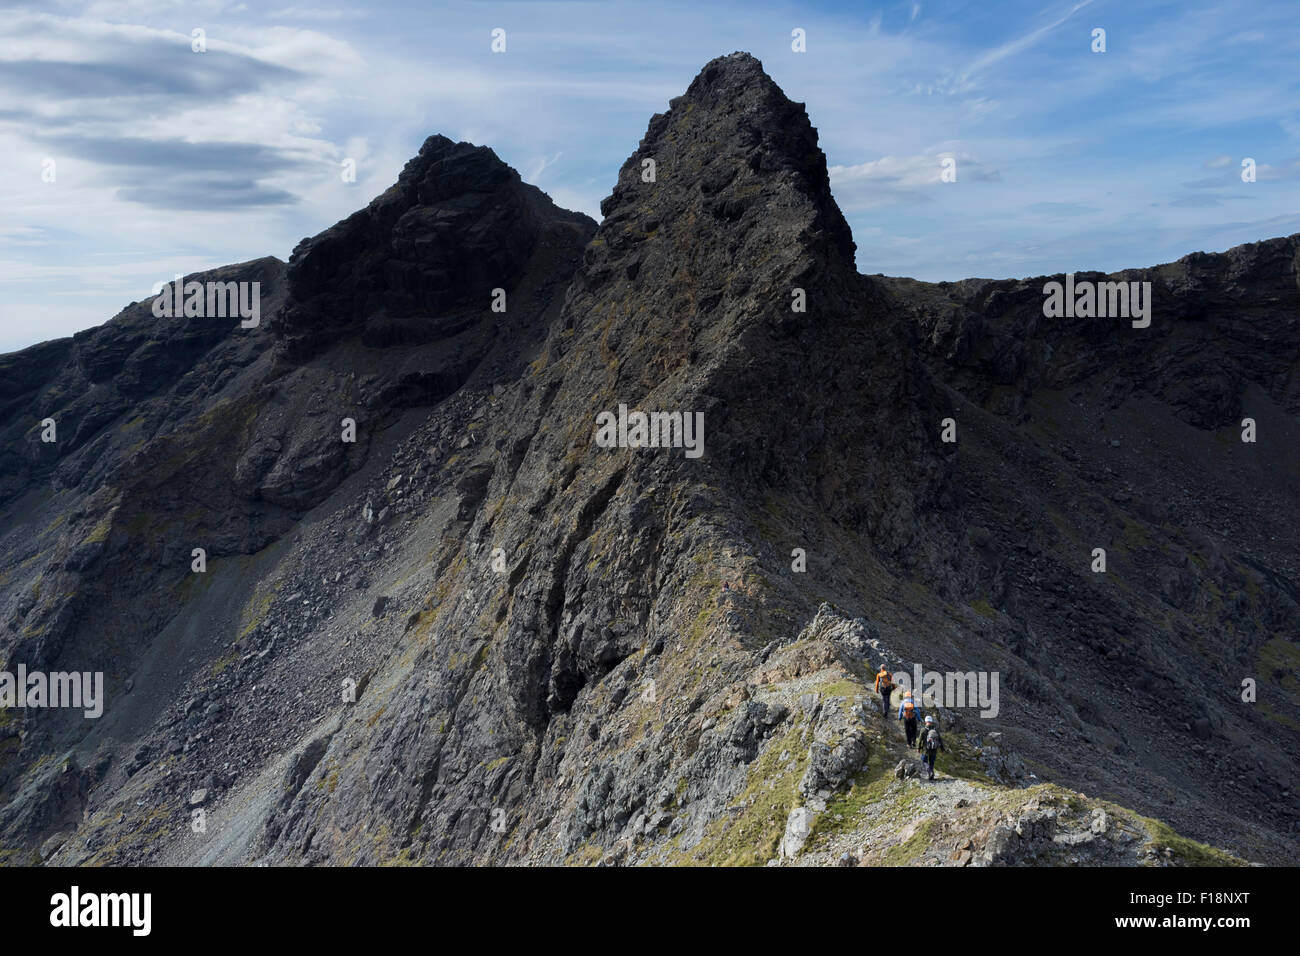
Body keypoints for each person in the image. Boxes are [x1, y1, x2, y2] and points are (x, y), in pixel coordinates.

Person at [917, 714, 944, 780]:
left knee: (924, 761)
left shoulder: (923, 730)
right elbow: (940, 739)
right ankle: (931, 776)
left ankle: (929, 772)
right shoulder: (936, 729)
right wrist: (942, 749)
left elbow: (920, 740)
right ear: (931, 721)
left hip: (925, 750)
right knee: (932, 762)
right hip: (934, 749)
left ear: (926, 722)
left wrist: (919, 748)